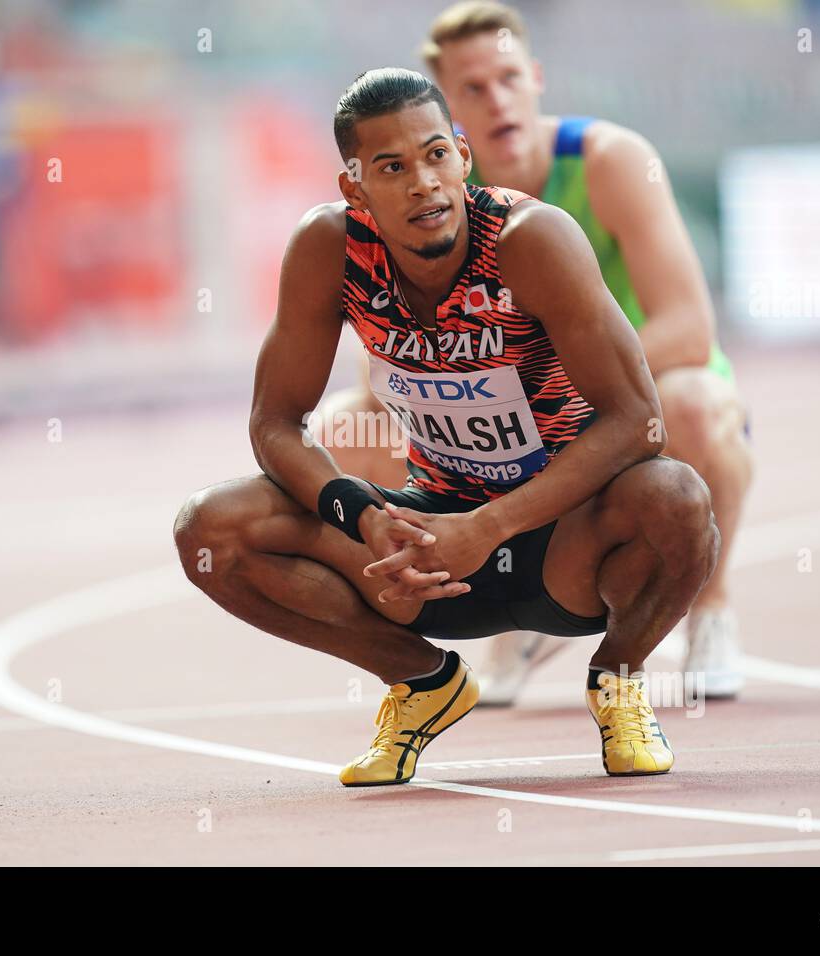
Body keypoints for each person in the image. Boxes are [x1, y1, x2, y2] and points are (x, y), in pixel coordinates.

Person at [173, 68, 718, 786]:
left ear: (463, 157)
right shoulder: (329, 249)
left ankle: (618, 679)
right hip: (423, 545)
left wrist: (490, 527)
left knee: (677, 497)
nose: (423, 184)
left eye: (434, 155)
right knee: (211, 528)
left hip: (568, 539)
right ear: (355, 187)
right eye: (392, 168)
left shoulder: (530, 240)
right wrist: (361, 512)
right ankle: (422, 683)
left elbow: (637, 422)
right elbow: (275, 421)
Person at [315, 1, 754, 703]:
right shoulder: (427, 189)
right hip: (506, 413)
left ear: (536, 77)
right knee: (345, 426)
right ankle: (491, 611)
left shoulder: (610, 162)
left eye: (508, 78)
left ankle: (710, 608)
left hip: (628, 397)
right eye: (473, 88)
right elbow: (382, 362)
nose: (498, 100)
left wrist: (555, 387)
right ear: (447, 111)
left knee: (694, 403)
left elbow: (689, 327)